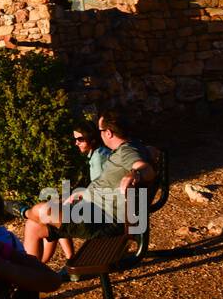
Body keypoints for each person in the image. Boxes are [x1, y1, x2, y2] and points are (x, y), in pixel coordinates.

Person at [22, 109, 156, 264]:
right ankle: (30, 279)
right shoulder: (128, 147)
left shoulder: (127, 151)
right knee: (33, 226)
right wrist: (85, 193)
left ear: (109, 133)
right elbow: (147, 154)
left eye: (100, 131)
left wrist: (135, 174)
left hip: (104, 220)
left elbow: (146, 169)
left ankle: (23, 211)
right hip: (94, 209)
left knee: (43, 210)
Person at [73, 119, 111, 183]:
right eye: (75, 139)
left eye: (80, 139)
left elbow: (99, 187)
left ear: (91, 137)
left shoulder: (98, 157)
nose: (76, 143)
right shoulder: (99, 151)